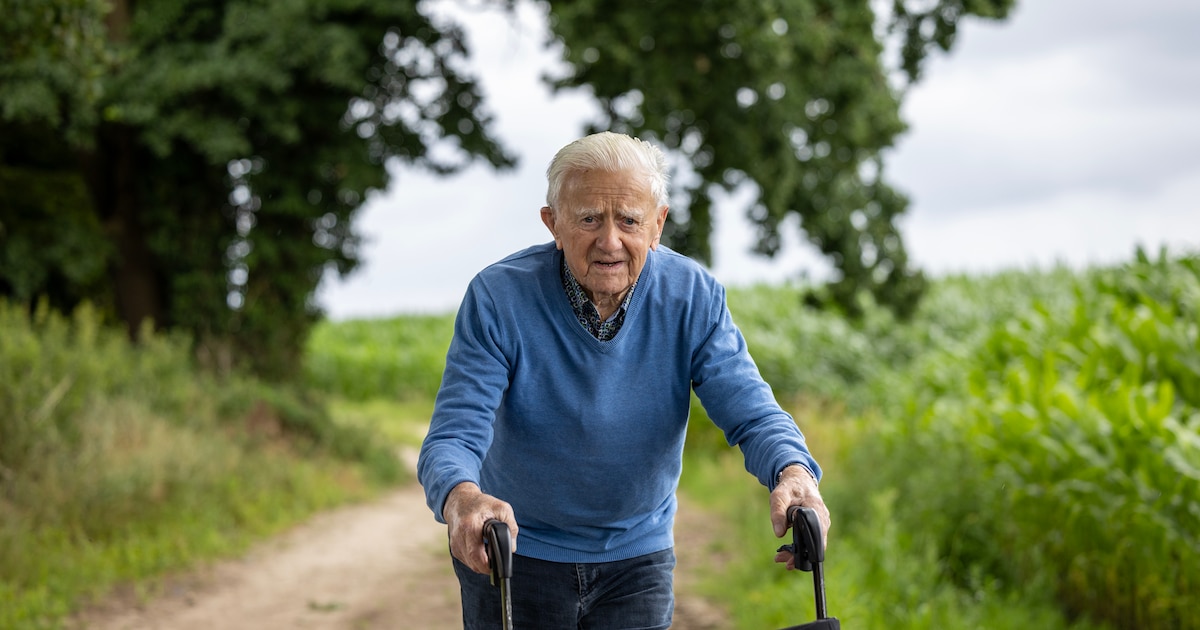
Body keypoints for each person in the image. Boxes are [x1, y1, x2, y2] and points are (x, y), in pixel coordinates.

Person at [417, 131, 830, 629]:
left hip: (637, 560)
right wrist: (463, 499)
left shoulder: (693, 298)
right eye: (589, 218)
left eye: (629, 220)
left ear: (658, 225)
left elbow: (752, 413)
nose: (609, 241)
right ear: (554, 224)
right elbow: (454, 435)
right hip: (517, 553)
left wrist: (794, 474)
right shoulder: (498, 298)